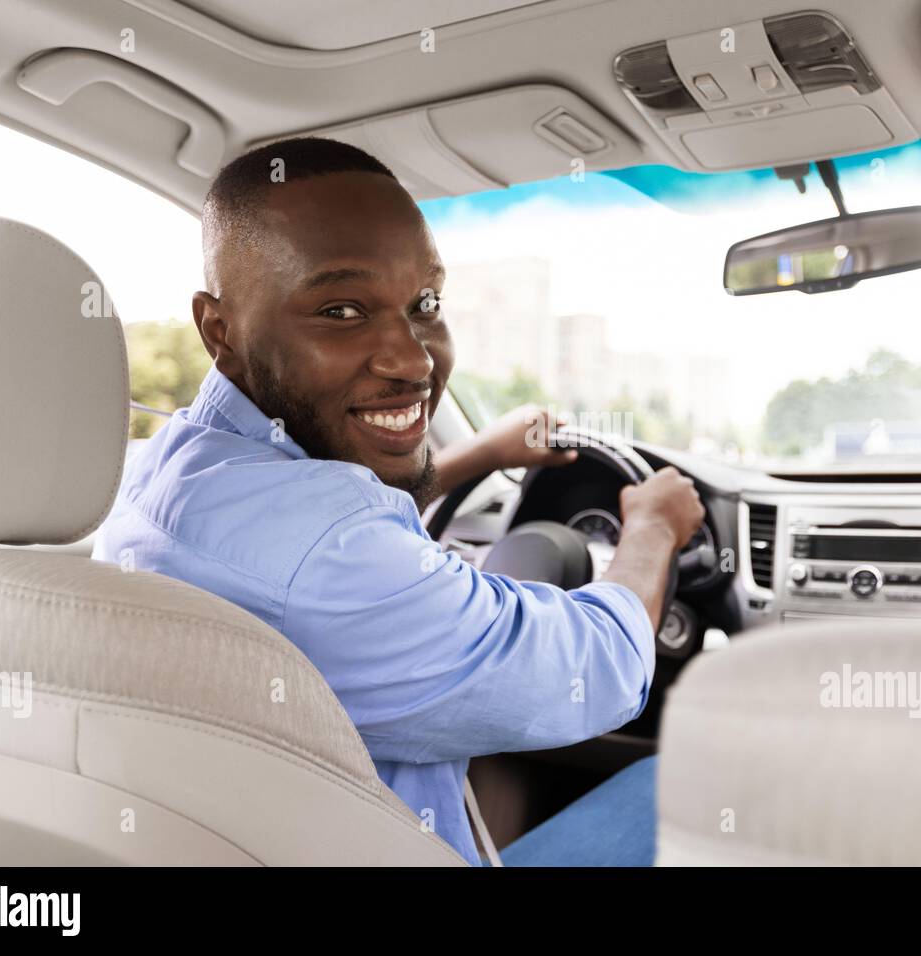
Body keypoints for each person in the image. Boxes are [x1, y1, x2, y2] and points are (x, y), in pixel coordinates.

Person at [93, 137, 704, 866]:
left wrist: (479, 455)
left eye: (426, 303)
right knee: (697, 784)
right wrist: (652, 531)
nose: (413, 360)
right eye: (341, 310)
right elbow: (599, 668)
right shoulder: (331, 553)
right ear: (219, 330)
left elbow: (318, 519)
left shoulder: (166, 470)